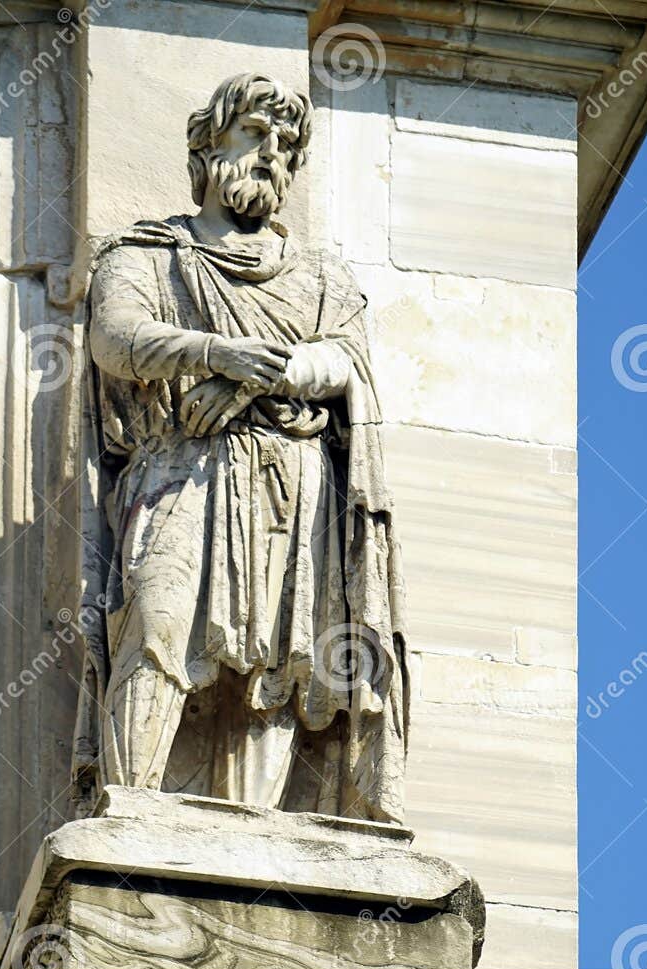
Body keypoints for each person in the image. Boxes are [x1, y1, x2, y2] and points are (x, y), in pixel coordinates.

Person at [78, 72, 409, 823]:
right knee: (157, 621)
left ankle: (255, 831)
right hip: (180, 472)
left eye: (286, 146)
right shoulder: (148, 254)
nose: (272, 156)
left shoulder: (322, 276)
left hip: (295, 480)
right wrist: (214, 354)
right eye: (255, 136)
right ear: (208, 146)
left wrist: (262, 377)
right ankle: (128, 808)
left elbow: (346, 364)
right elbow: (115, 337)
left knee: (280, 654)